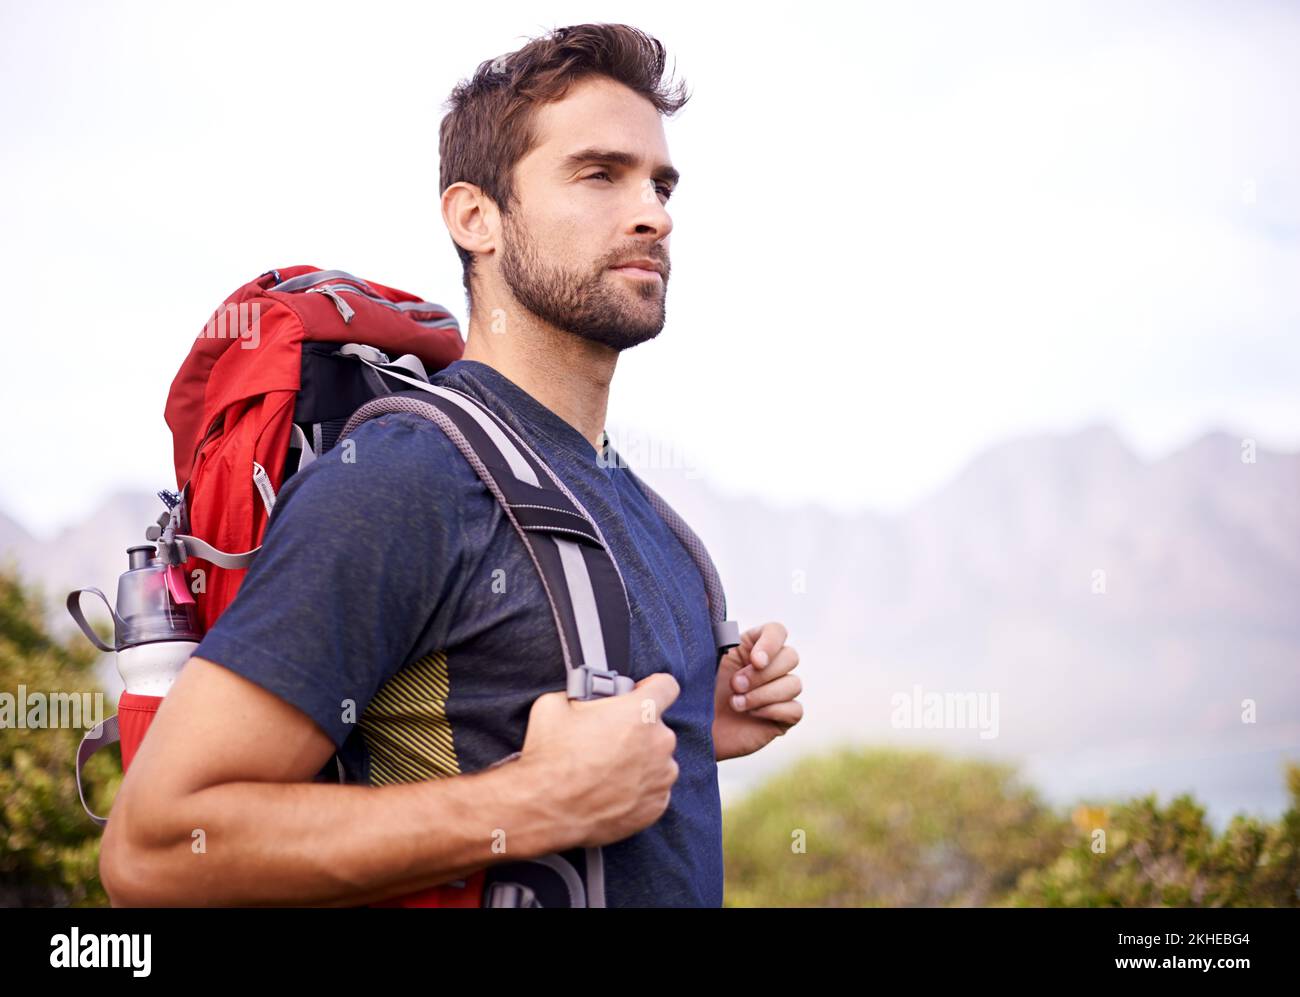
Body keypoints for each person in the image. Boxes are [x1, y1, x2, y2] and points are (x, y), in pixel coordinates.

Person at [99, 22, 803, 908]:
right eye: (599, 173)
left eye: (661, 183)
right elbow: (155, 850)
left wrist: (699, 716)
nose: (653, 213)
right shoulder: (405, 476)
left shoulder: (645, 512)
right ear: (476, 217)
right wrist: (531, 801)